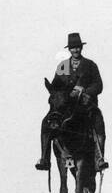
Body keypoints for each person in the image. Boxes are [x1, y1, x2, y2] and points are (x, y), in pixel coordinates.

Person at [37, 32, 107, 171]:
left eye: (78, 47)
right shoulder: (62, 66)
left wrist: (85, 91)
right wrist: (56, 93)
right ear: (69, 49)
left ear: (82, 48)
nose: (76, 50)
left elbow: (98, 85)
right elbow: (56, 85)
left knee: (98, 120)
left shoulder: (90, 65)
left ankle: (99, 158)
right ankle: (44, 158)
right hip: (65, 106)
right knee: (46, 122)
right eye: (73, 47)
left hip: (85, 104)